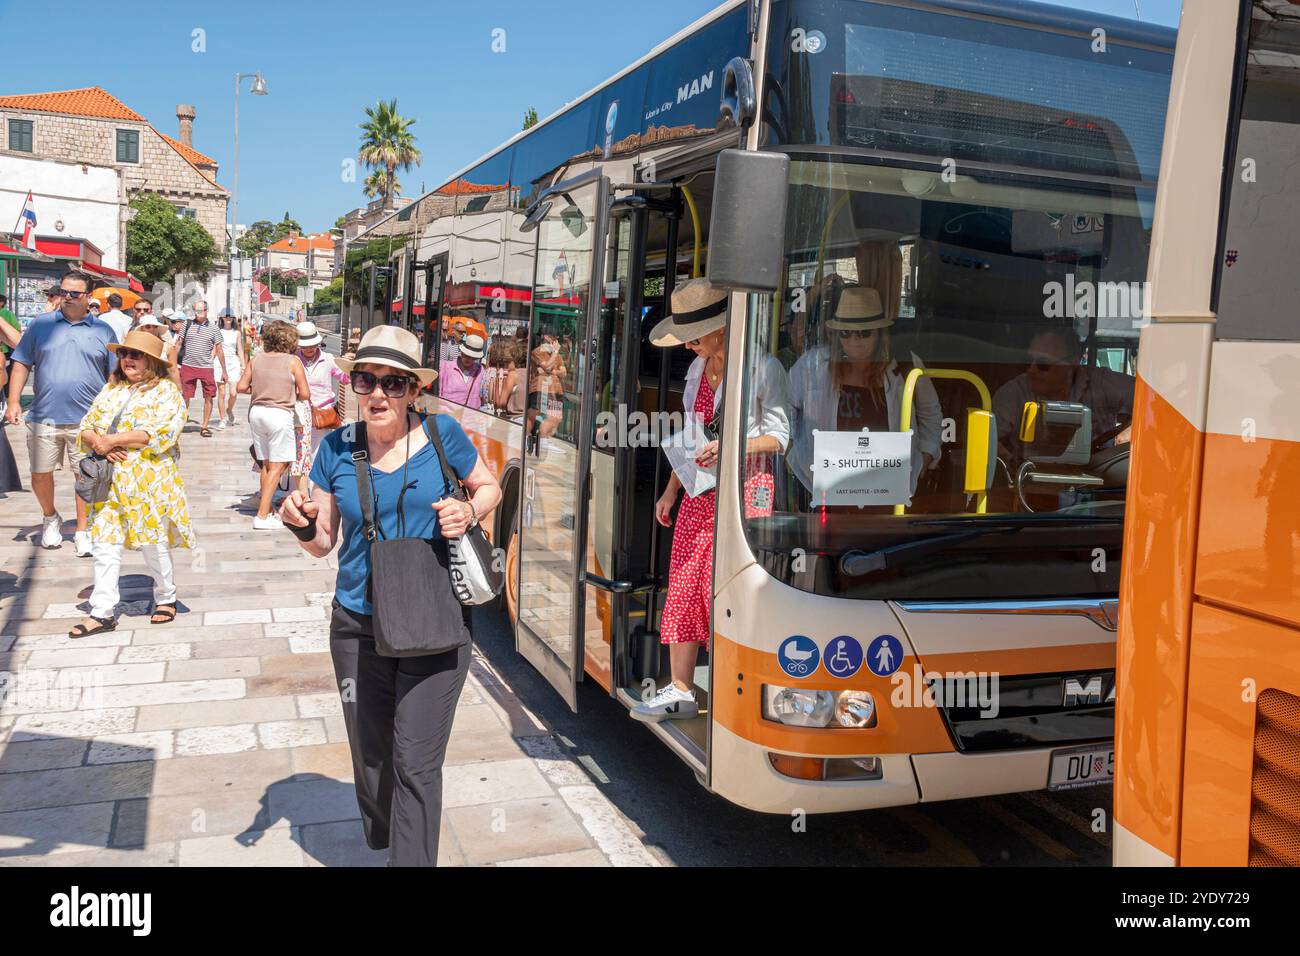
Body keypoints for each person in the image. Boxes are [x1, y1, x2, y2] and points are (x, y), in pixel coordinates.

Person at [277, 325, 502, 867]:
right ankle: (386, 835)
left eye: (393, 383)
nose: (377, 394)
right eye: (365, 380)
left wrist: (470, 510)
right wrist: (302, 524)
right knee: (373, 756)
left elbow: (490, 485)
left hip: (433, 621)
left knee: (416, 764)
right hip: (358, 624)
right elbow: (324, 542)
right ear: (353, 383)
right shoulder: (336, 447)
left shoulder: (444, 434)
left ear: (413, 390)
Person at [633, 278, 790, 722]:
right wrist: (670, 491)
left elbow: (780, 439)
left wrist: (733, 446)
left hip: (745, 493)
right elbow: (692, 439)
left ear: (722, 328)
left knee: (726, 589)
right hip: (700, 492)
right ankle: (681, 688)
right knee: (684, 583)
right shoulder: (697, 371)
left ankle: (729, 689)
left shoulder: (762, 368)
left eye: (695, 336)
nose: (688, 346)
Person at [68, 330, 194, 636]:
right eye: (123, 354)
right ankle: (102, 611)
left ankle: (166, 597)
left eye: (134, 355)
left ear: (152, 360)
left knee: (153, 544)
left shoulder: (167, 392)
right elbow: (86, 425)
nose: (127, 360)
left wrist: (115, 439)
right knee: (105, 545)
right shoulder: (111, 389)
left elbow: (163, 432)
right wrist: (99, 441)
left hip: (149, 482)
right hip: (110, 483)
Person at [787, 286, 943, 502]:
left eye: (863, 333)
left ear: (880, 332)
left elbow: (931, 414)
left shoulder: (905, 364)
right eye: (845, 333)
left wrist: (924, 459)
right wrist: (797, 455)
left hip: (890, 492)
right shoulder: (812, 366)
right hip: (826, 492)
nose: (854, 341)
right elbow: (786, 410)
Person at [6, 271, 116, 555]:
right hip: (44, 415)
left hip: (88, 421)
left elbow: (114, 376)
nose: (67, 298)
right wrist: (14, 401)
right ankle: (50, 516)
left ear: (88, 298)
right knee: (40, 473)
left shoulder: (103, 331)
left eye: (74, 294)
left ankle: (82, 528)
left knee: (85, 476)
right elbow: (21, 363)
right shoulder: (41, 326)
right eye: (63, 292)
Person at [992, 324, 1135, 462]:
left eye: (1043, 364)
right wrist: (1005, 457)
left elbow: (1152, 398)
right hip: (1030, 479)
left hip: (1094, 480)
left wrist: (1132, 430)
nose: (1031, 369)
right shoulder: (1015, 392)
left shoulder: (1101, 383)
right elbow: (986, 438)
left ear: (1071, 364)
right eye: (1028, 361)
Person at [238, 320, 309, 529]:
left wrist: (262, 391)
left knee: (267, 465)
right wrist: (283, 392)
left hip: (257, 413)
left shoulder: (256, 359)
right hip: (279, 414)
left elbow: (241, 387)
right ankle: (262, 516)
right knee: (279, 466)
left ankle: (267, 510)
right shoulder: (293, 361)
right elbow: (305, 394)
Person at [295, 321, 347, 489]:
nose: (309, 349)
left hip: (323, 415)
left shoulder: (328, 359)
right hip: (300, 415)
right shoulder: (294, 360)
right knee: (301, 454)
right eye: (305, 346)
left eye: (312, 345)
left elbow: (345, 378)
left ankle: (316, 490)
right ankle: (300, 491)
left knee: (317, 454)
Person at [173, 300, 226, 437]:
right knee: (185, 396)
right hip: (188, 365)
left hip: (206, 367)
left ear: (207, 311)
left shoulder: (214, 328)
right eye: (196, 311)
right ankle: (180, 423)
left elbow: (219, 350)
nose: (198, 313)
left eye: (201, 311)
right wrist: (172, 363)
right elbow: (178, 344)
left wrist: (224, 370)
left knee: (209, 396)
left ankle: (204, 426)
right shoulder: (187, 324)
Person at [213, 310, 245, 430]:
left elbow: (240, 349)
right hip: (219, 362)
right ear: (221, 318)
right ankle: (222, 418)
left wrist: (243, 365)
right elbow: (214, 348)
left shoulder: (236, 332)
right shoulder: (218, 331)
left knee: (233, 393)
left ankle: (229, 410)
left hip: (233, 362)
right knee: (222, 393)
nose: (228, 318)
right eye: (226, 316)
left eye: (230, 316)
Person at [438, 333, 488, 408]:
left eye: (473, 357)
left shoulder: (480, 371)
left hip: (471, 417)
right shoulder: (445, 367)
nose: (469, 359)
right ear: (462, 352)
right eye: (466, 355)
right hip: (448, 417)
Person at [488, 337, 526, 421]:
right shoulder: (526, 372)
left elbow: (500, 403)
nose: (503, 367)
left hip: (513, 420)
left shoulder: (512, 375)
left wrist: (498, 380)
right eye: (500, 364)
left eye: (506, 363)